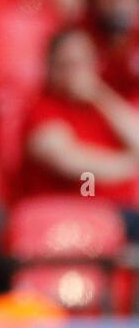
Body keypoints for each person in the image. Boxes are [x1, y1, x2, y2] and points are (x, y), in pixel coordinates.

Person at [22, 27, 139, 207]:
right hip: (74, 212)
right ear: (51, 68)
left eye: (83, 63)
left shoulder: (104, 106)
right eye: (67, 64)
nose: (76, 73)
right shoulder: (42, 108)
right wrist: (131, 165)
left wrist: (99, 94)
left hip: (122, 209)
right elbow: (68, 161)